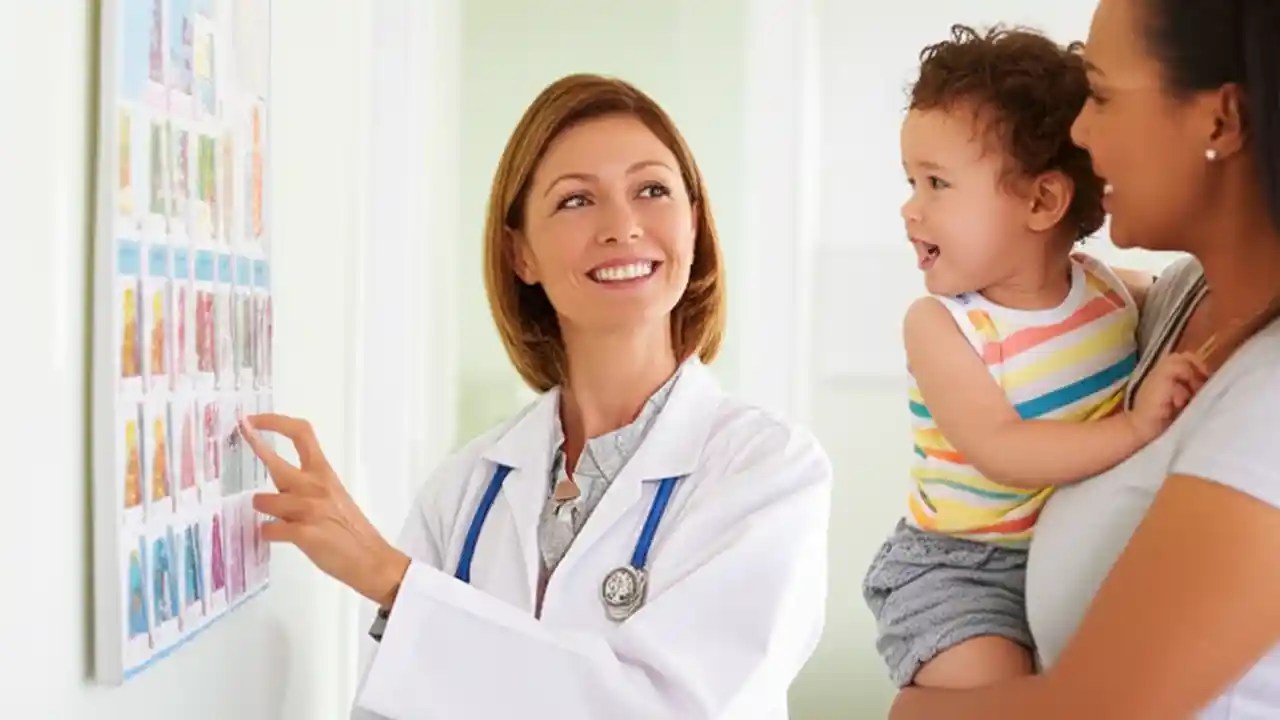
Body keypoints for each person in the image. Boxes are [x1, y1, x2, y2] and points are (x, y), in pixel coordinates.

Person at [239, 73, 833, 719]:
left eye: (653, 190)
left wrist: (396, 582)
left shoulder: (767, 469)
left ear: (694, 223)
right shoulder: (467, 487)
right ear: (521, 253)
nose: (623, 226)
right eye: (576, 200)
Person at [889, 0, 1280, 717]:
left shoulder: (1269, 401)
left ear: (1220, 122)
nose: (1076, 131)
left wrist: (912, 712)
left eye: (1100, 95)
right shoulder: (1173, 304)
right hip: (959, 573)